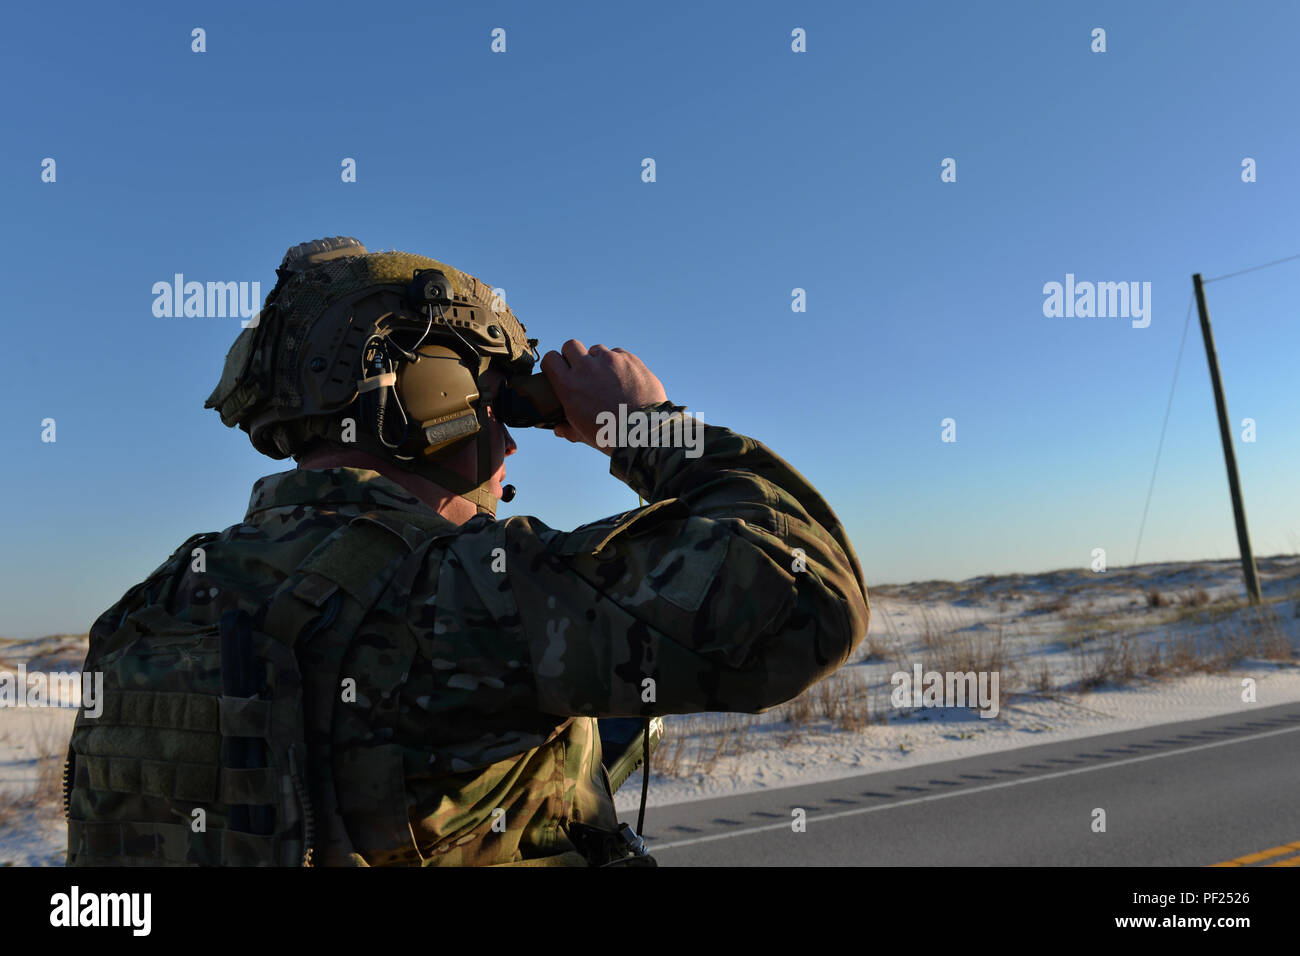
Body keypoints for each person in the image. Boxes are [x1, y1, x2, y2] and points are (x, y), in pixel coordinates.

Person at [65, 236, 869, 867]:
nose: (510, 442)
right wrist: (648, 428)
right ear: (432, 398)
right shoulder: (466, 590)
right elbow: (809, 597)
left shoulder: (158, 603)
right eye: (497, 402)